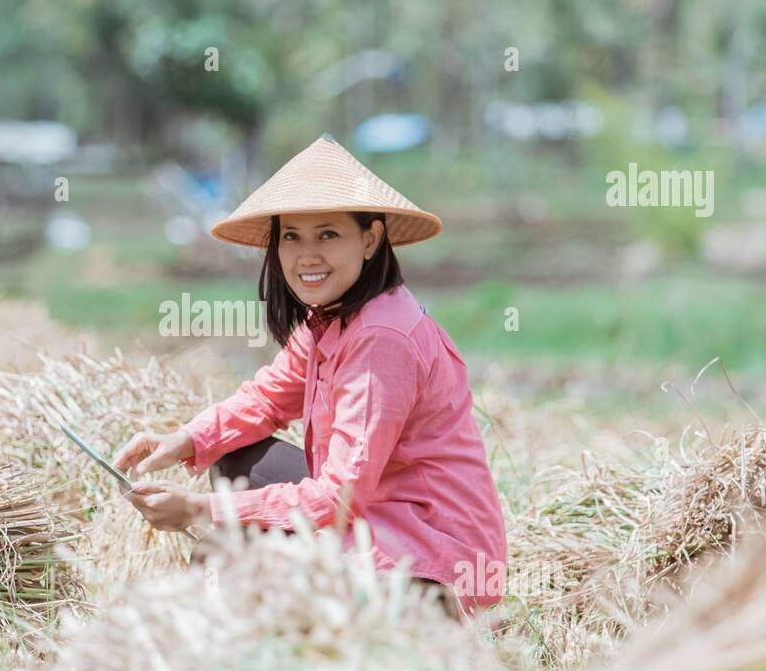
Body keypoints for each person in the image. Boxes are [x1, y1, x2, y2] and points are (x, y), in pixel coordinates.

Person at [112, 133, 507, 617]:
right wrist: (182, 440)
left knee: (227, 553)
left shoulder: (382, 338)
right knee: (236, 461)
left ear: (371, 238)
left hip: (428, 561)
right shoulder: (330, 318)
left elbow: (340, 496)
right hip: (376, 514)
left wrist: (200, 510)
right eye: (292, 237)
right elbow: (267, 399)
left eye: (328, 234)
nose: (306, 255)